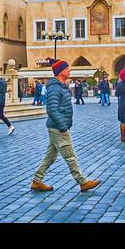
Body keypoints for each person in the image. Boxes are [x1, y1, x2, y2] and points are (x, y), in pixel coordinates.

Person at [30, 60, 100, 193]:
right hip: (58, 128)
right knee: (70, 156)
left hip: (58, 126)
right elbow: (51, 109)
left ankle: (36, 181)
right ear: (60, 71)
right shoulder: (56, 88)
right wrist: (62, 125)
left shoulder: (61, 86)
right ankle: (83, 182)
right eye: (67, 68)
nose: (70, 70)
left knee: (50, 157)